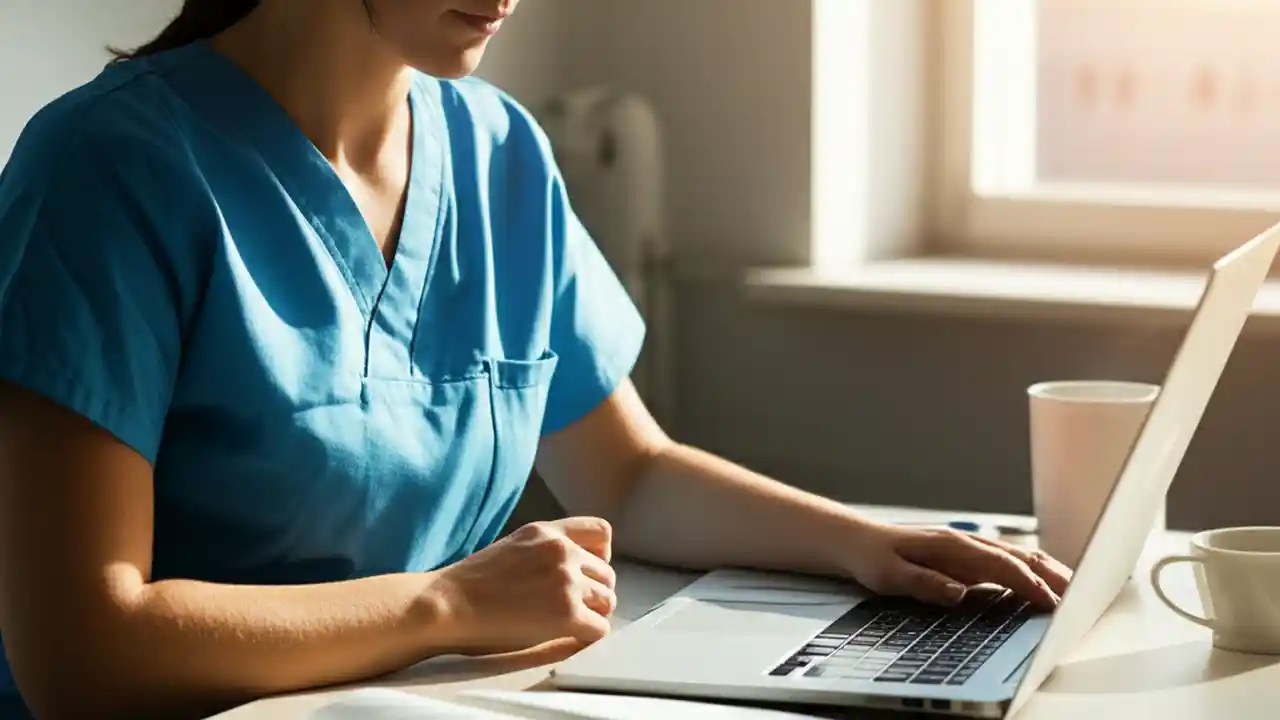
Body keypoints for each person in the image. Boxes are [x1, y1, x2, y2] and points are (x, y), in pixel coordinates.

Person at [0, 1, 1071, 717]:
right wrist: (449, 608)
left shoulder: (496, 149)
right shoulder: (107, 170)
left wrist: (869, 547)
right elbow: (82, 651)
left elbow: (631, 475)